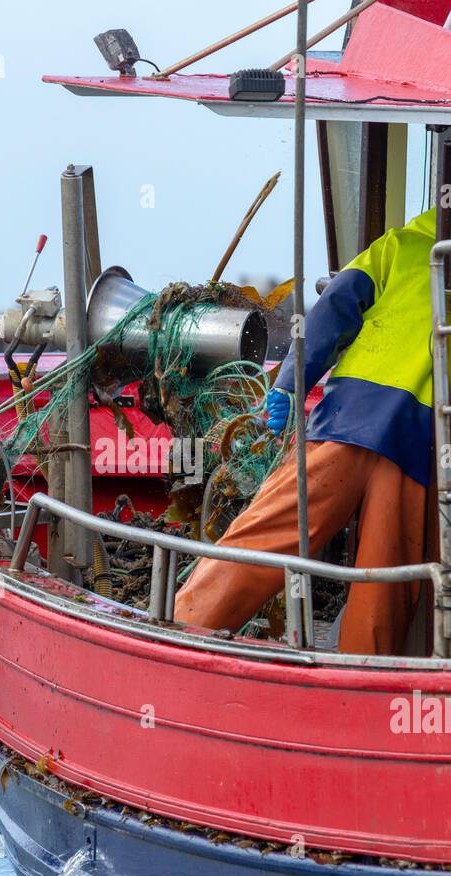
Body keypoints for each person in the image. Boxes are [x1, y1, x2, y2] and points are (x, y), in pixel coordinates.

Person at [174, 206, 437, 654]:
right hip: (418, 440)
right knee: (383, 578)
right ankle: (361, 680)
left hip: (350, 417)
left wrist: (289, 386)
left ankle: (181, 632)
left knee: (267, 535)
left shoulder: (405, 244)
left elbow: (332, 309)